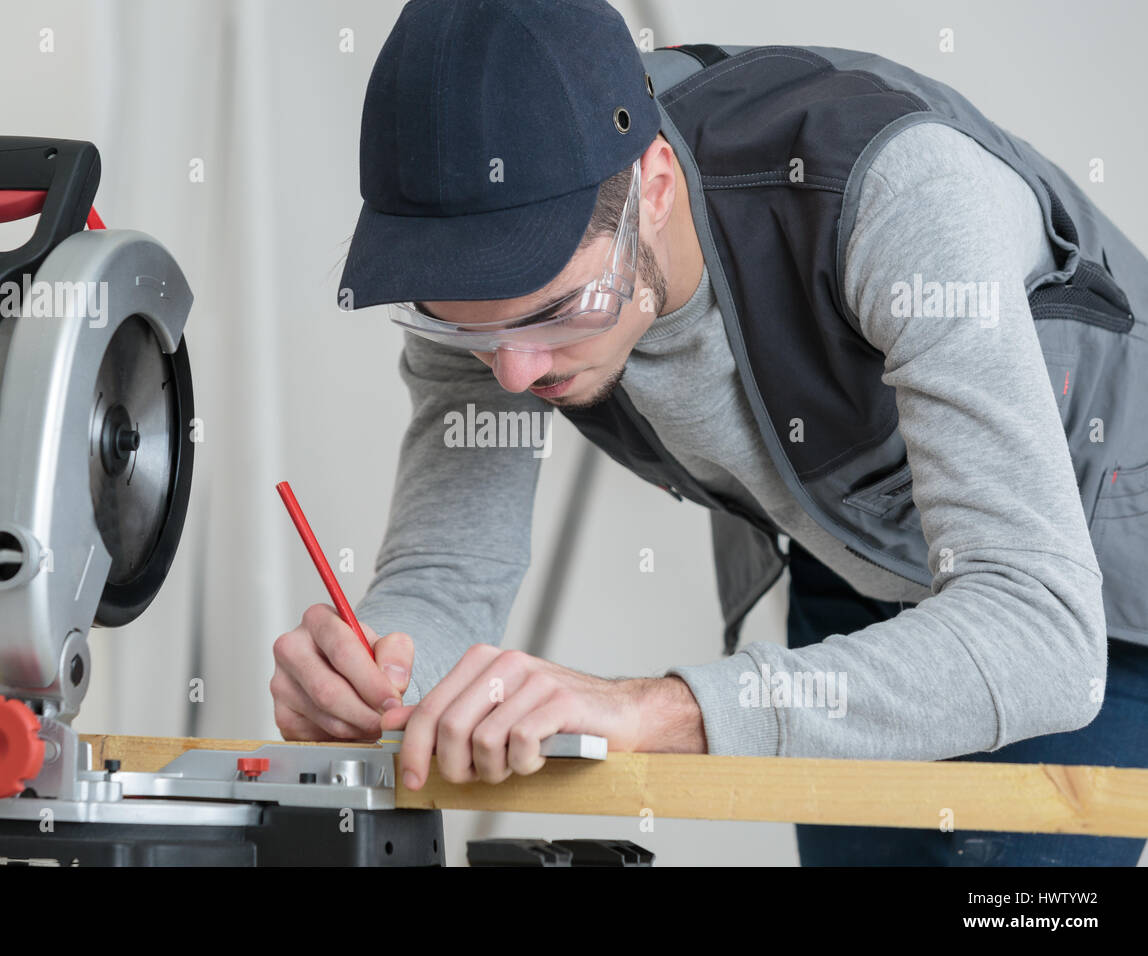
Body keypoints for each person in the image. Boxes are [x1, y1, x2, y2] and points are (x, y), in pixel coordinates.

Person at [270, 0, 1148, 865]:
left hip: (1088, 584)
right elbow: (446, 575)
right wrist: (375, 675)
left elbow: (1043, 641)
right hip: (859, 556)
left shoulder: (901, 196)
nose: (515, 374)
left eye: (558, 312)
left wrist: (657, 711)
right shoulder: (492, 294)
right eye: (467, 331)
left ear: (653, 188)